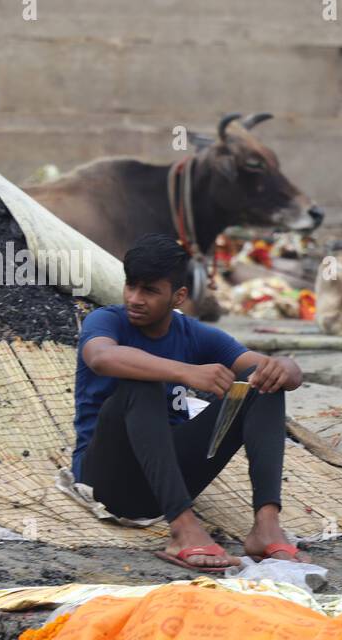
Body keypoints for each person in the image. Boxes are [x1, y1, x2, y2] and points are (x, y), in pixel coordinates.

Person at [71, 233, 306, 571]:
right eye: (131, 286)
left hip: (170, 479)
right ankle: (184, 529)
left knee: (261, 385)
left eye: (150, 290)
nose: (135, 299)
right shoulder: (107, 320)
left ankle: (266, 526)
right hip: (108, 479)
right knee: (142, 384)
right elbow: (101, 357)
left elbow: (270, 369)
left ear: (178, 296)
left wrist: (284, 368)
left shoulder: (193, 333)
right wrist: (186, 372)